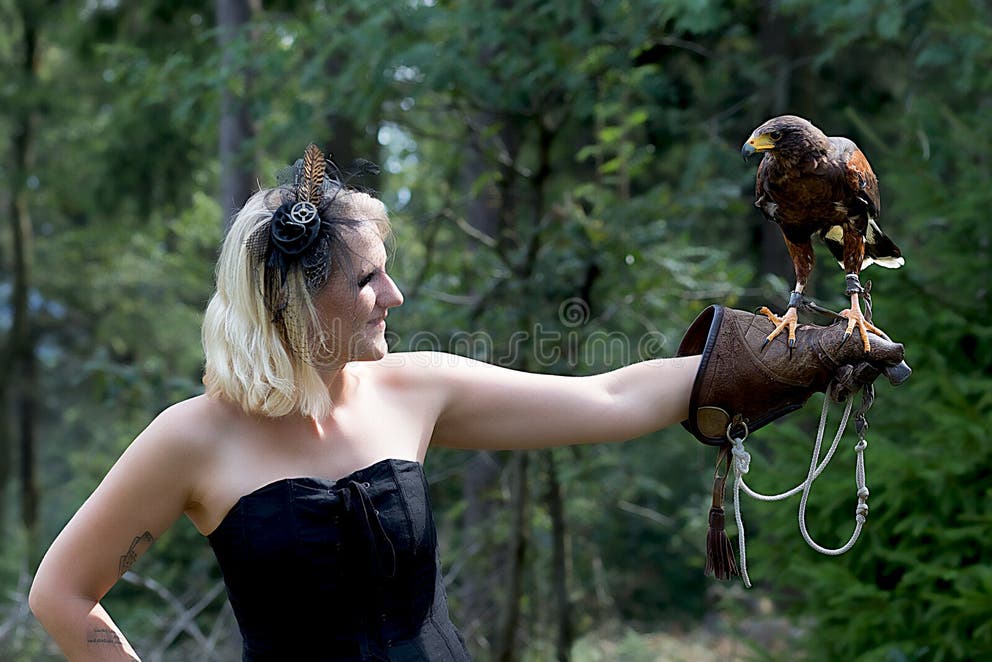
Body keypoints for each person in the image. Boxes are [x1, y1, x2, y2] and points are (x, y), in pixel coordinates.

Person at [28, 145, 907, 661]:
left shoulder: (416, 389)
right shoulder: (192, 438)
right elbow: (62, 595)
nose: (395, 297)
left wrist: (795, 355)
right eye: (368, 280)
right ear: (297, 304)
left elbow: (604, 395)